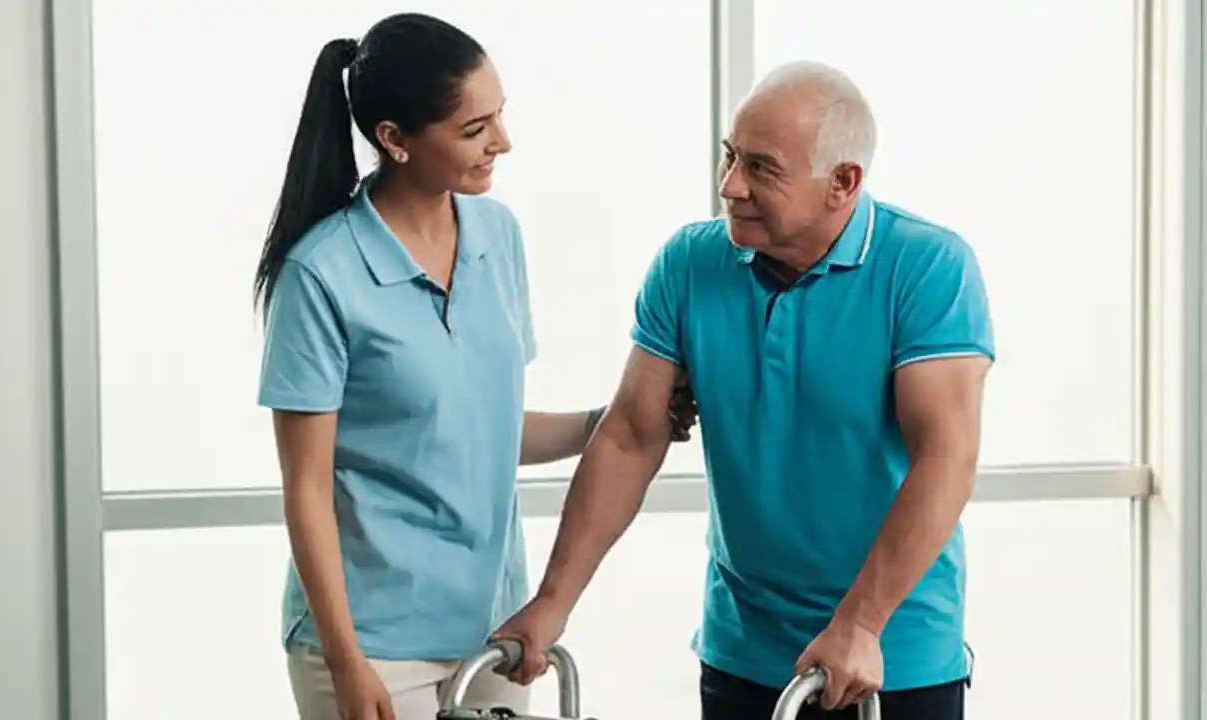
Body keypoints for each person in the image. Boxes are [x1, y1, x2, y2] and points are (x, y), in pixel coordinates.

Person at [492, 60, 995, 720]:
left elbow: (945, 458)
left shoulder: (927, 267)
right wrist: (553, 603)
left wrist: (862, 623)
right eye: (730, 158)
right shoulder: (690, 263)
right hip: (743, 653)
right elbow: (630, 435)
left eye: (762, 169)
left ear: (842, 183)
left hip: (891, 654)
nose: (730, 186)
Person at [253, 13, 697, 720]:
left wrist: (614, 423)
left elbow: (486, 430)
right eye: (473, 129)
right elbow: (306, 488)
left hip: (492, 627)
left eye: (500, 116)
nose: (503, 142)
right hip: (372, 641)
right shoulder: (322, 274)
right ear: (393, 139)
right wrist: (345, 659)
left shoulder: (498, 236)